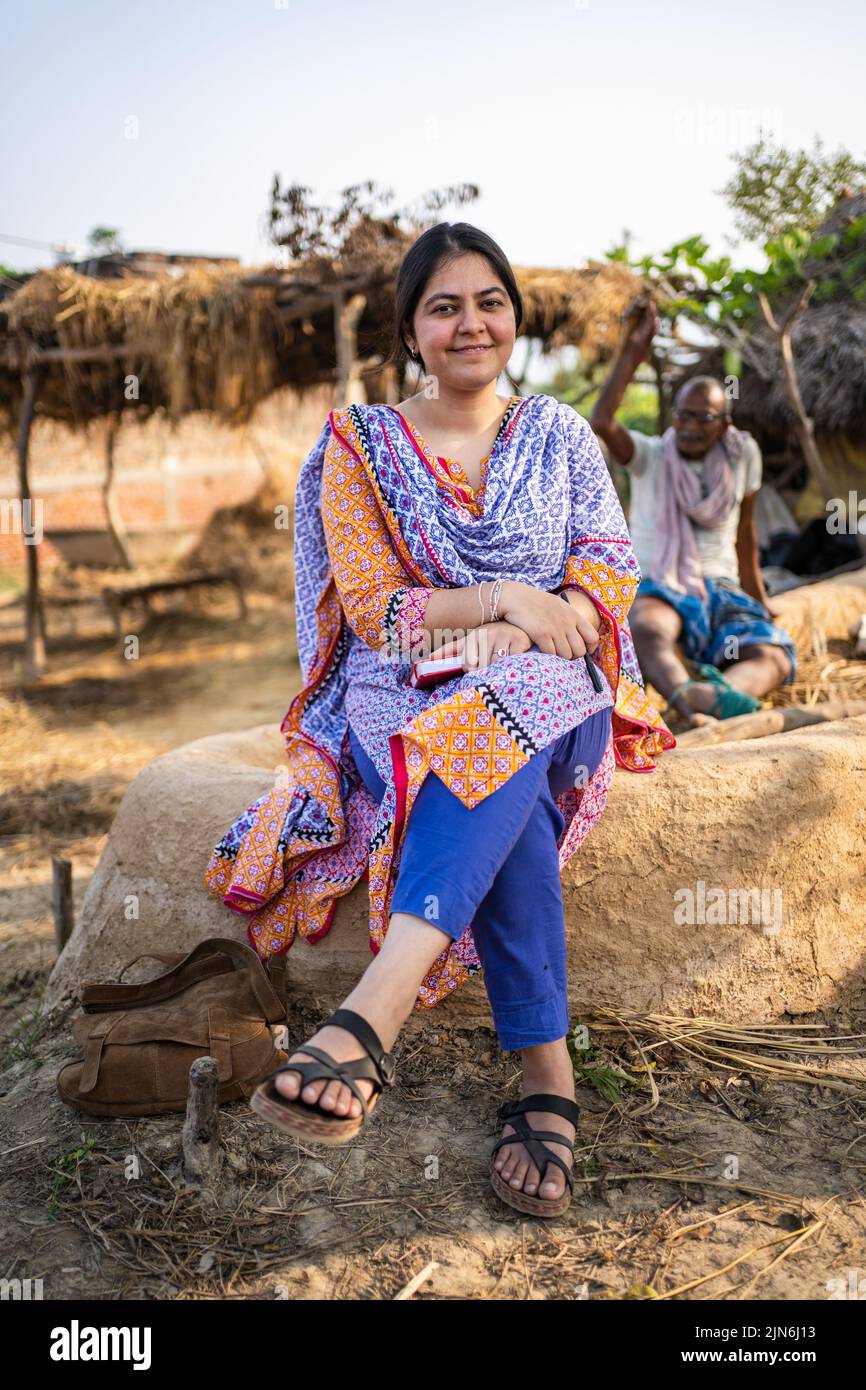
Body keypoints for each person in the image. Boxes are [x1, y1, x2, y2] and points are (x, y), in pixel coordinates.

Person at [204, 225, 674, 1217]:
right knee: (501, 782)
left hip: (555, 682)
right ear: (411, 332)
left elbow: (602, 570)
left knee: (514, 705)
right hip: (399, 691)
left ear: (514, 316)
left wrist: (562, 618)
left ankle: (371, 1011)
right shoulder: (359, 448)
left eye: (489, 301)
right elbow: (374, 609)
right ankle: (548, 1078)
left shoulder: (558, 436)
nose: (471, 323)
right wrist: (503, 596)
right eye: (443, 306)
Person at [590, 299, 796, 728]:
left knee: (773, 655)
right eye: (682, 415)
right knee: (646, 629)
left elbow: (745, 536)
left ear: (723, 422)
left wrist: (758, 598)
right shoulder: (651, 456)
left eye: (702, 418)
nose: (688, 426)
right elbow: (604, 422)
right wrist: (633, 352)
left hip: (721, 587)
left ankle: (714, 694)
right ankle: (689, 701)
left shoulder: (743, 456)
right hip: (662, 585)